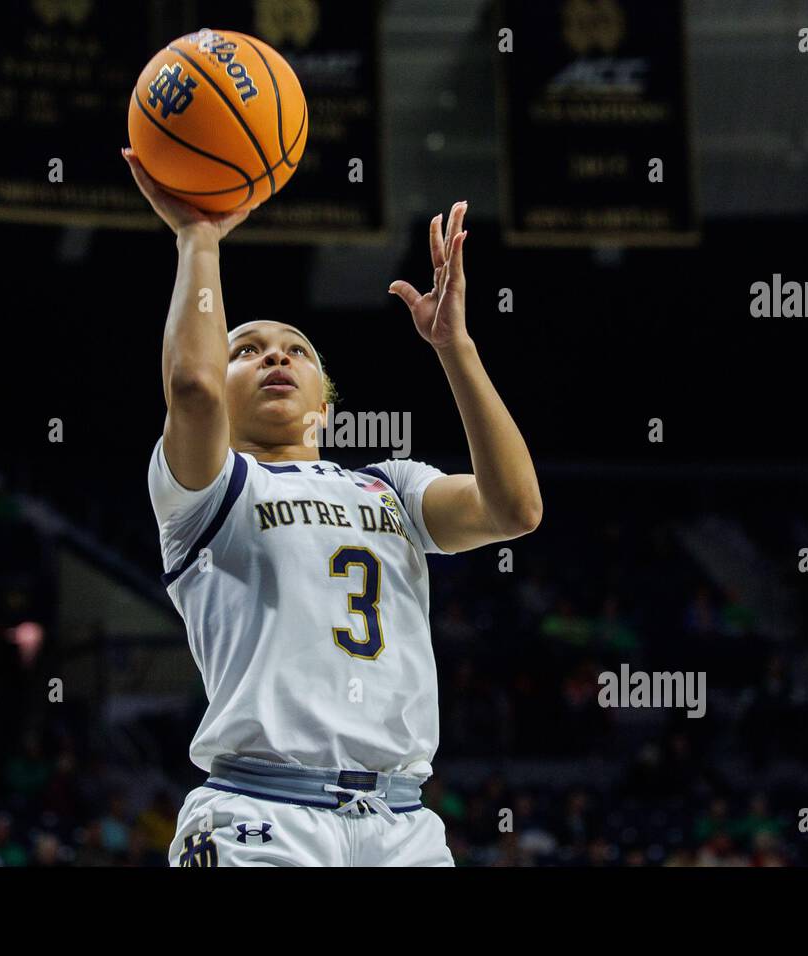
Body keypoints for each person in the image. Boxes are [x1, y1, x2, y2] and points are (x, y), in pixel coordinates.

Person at [123, 147, 542, 866]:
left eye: (295, 350)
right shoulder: (208, 490)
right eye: (247, 351)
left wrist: (456, 348)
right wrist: (199, 236)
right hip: (261, 814)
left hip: (402, 823)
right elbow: (190, 387)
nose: (275, 357)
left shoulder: (392, 487)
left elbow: (514, 510)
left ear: (325, 402)